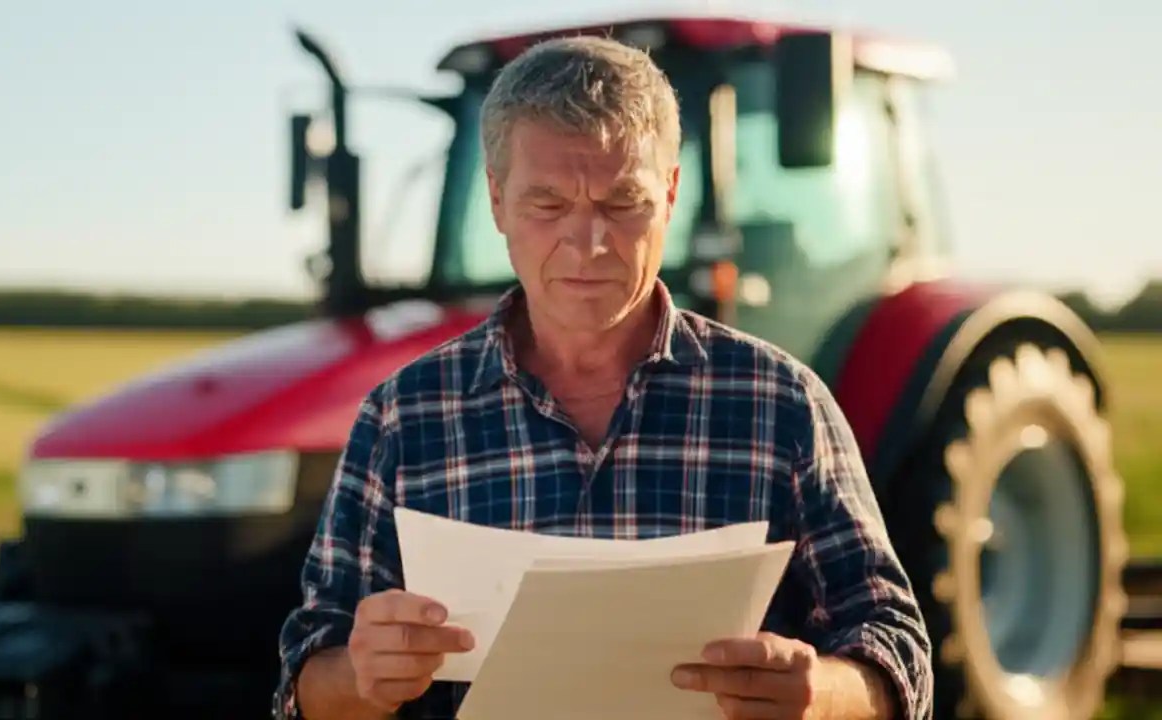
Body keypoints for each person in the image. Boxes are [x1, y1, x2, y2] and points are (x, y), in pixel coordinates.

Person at [273, 35, 933, 720]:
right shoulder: (403, 418)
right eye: (548, 205)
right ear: (497, 202)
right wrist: (361, 675)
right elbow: (305, 681)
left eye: (622, 203)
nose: (588, 244)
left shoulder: (781, 404)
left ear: (671, 193)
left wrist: (821, 695)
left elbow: (897, 653)